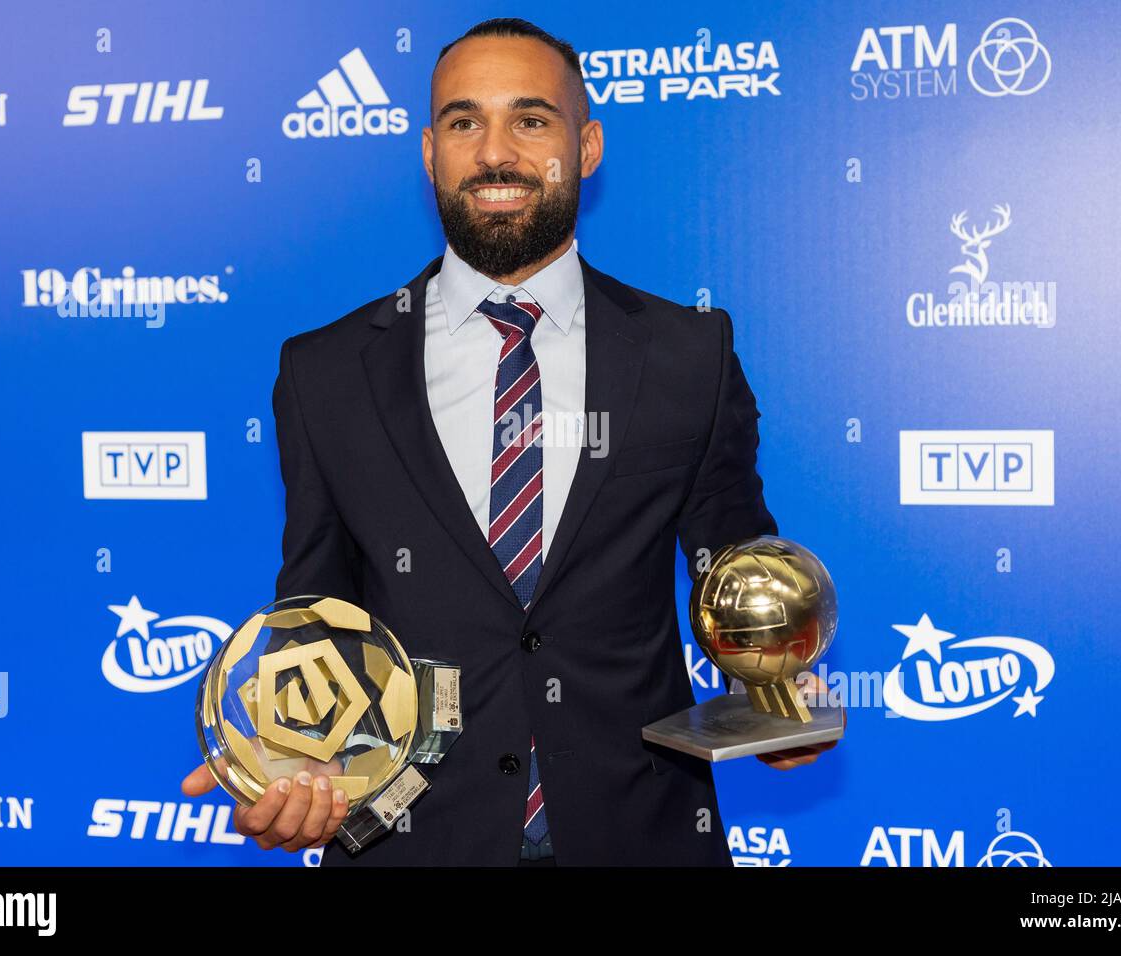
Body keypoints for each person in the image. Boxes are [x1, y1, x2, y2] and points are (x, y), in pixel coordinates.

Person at [182, 16, 840, 866]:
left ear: (588, 144)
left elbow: (738, 574)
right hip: (413, 842)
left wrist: (773, 696)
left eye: (531, 120)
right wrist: (295, 769)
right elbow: (320, 611)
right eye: (464, 122)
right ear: (430, 153)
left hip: (640, 835)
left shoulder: (689, 353)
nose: (495, 153)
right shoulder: (326, 370)